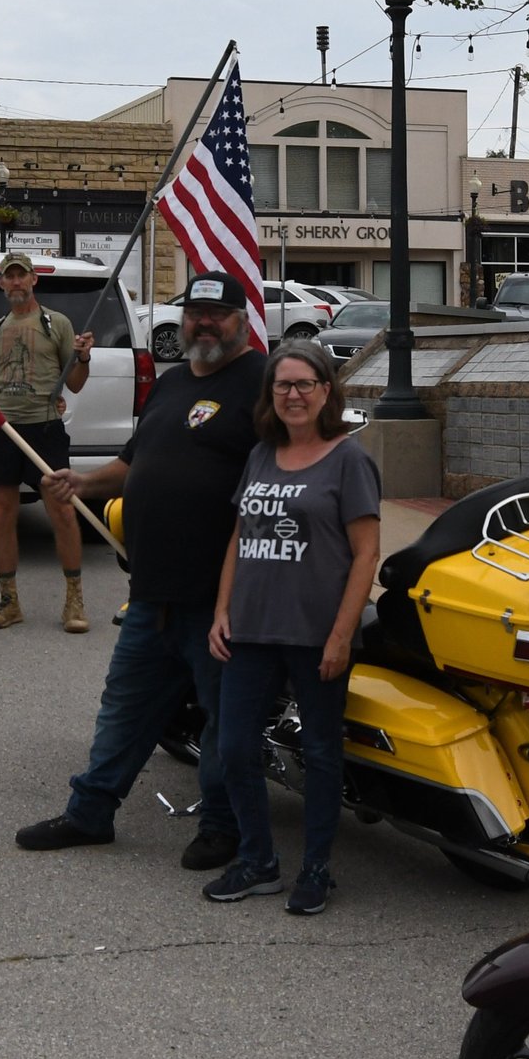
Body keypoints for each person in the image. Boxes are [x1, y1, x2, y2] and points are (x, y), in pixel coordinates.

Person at [14, 271, 264, 873]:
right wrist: (82, 481)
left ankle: (222, 828)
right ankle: (89, 813)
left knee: (224, 720)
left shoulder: (263, 385)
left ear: (242, 321)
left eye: (218, 315)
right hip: (152, 590)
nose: (204, 324)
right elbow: (135, 462)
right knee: (124, 707)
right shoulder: (173, 383)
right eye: (196, 314)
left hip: (218, 596)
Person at [203, 342, 380, 915]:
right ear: (270, 395)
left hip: (315, 635)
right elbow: (236, 535)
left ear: (327, 391)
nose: (294, 395)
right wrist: (223, 609)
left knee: (323, 756)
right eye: (283, 385)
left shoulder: (349, 460)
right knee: (233, 748)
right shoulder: (261, 455)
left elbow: (366, 554)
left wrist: (339, 636)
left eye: (305, 384)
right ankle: (258, 862)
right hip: (251, 630)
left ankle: (317, 869)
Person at [0, 249, 95, 634]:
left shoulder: (55, 324)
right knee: (2, 514)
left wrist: (83, 359)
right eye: (8, 277)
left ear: (33, 279)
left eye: (21, 275)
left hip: (44, 429)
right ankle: (9, 601)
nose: (15, 282)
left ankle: (74, 600)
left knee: (61, 512)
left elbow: (73, 383)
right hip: (3, 431)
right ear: (1, 283)